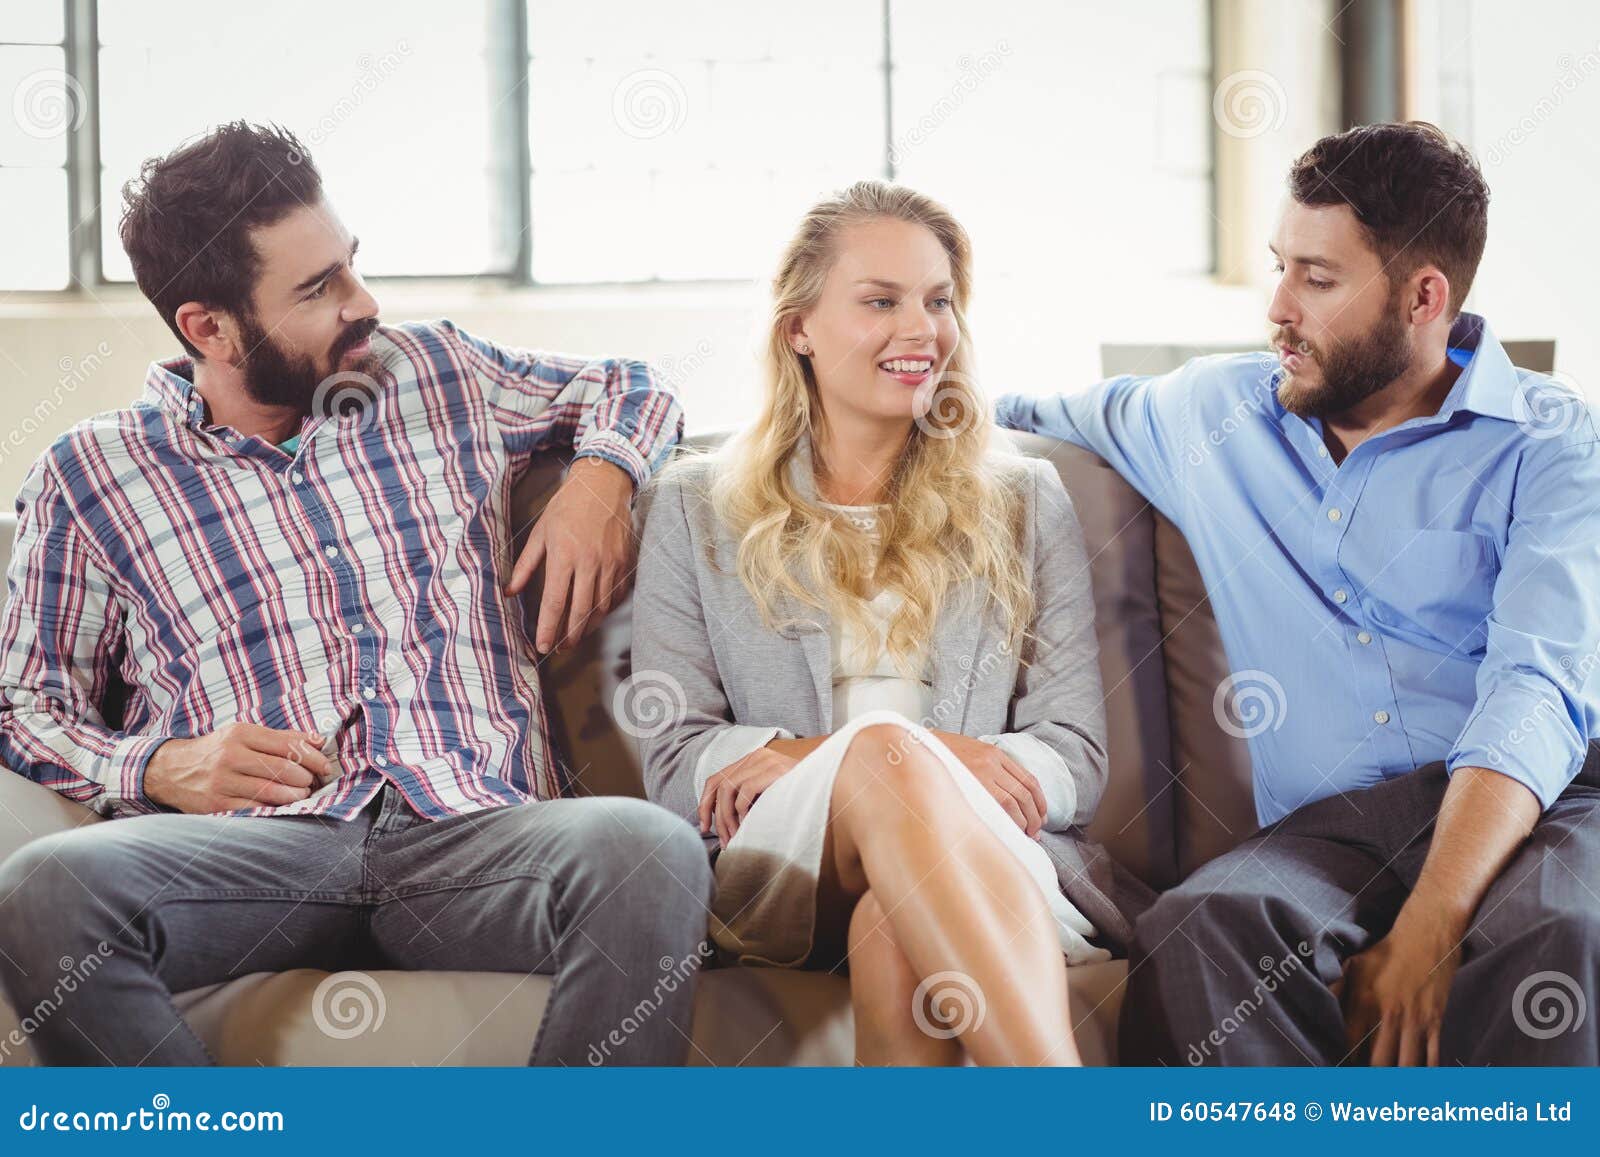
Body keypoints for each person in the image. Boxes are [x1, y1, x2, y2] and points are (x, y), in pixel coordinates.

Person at [0, 122, 711, 1066]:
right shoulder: (89, 475)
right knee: (44, 889)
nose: (363, 302)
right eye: (317, 289)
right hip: (254, 854)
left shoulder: (438, 374)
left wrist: (601, 481)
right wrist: (159, 765)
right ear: (208, 327)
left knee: (647, 849)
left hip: (477, 834)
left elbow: (636, 384)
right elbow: (24, 701)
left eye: (351, 265)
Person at [999, 121, 1600, 1065]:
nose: (1277, 306)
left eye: (1317, 279)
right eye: (1280, 266)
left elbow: (1539, 688)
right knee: (1200, 929)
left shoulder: (1547, 444)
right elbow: (1011, 410)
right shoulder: (1208, 413)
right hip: (1336, 834)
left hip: (1543, 797)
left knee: (1554, 947)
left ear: (1424, 296)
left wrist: (1435, 920)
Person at [633, 180, 1142, 1067]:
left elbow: (1074, 756)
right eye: (880, 302)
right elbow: (677, 759)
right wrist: (894, 757)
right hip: (786, 862)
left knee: (894, 927)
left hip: (987, 852)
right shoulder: (693, 504)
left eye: (939, 301)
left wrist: (899, 762)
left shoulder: (1024, 499)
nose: (923, 331)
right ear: (799, 327)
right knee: (884, 750)